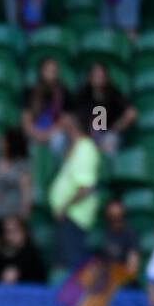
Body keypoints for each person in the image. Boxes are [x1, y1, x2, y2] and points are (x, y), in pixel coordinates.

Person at [48, 109, 101, 272]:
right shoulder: (75, 149)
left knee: (72, 268)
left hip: (74, 217)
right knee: (63, 266)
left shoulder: (86, 149)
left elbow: (86, 187)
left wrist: (65, 206)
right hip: (68, 216)